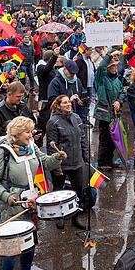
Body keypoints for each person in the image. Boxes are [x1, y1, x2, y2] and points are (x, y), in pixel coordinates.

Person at [0, 116, 65, 270]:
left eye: (31, 131)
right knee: (12, 248)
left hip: (32, 202)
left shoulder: (31, 146)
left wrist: (56, 158)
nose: (32, 135)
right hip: (13, 206)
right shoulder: (2, 152)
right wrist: (6, 197)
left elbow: (44, 162)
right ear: (16, 133)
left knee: (30, 242)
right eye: (27, 132)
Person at [46, 95, 91, 229]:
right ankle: (58, 217)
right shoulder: (53, 122)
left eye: (69, 102)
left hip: (76, 162)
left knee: (78, 191)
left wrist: (86, 156)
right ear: (58, 106)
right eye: (64, 103)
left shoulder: (76, 118)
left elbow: (83, 138)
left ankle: (75, 217)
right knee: (58, 191)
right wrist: (56, 167)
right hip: (61, 163)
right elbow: (51, 146)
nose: (68, 104)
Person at [94, 49, 125, 168]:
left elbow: (122, 93)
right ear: (108, 68)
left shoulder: (117, 80)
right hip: (104, 114)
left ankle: (109, 160)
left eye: (115, 66)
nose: (115, 68)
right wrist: (109, 56)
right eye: (112, 66)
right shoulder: (101, 78)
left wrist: (119, 101)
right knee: (104, 139)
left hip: (115, 113)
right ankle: (102, 162)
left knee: (113, 139)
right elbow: (101, 66)